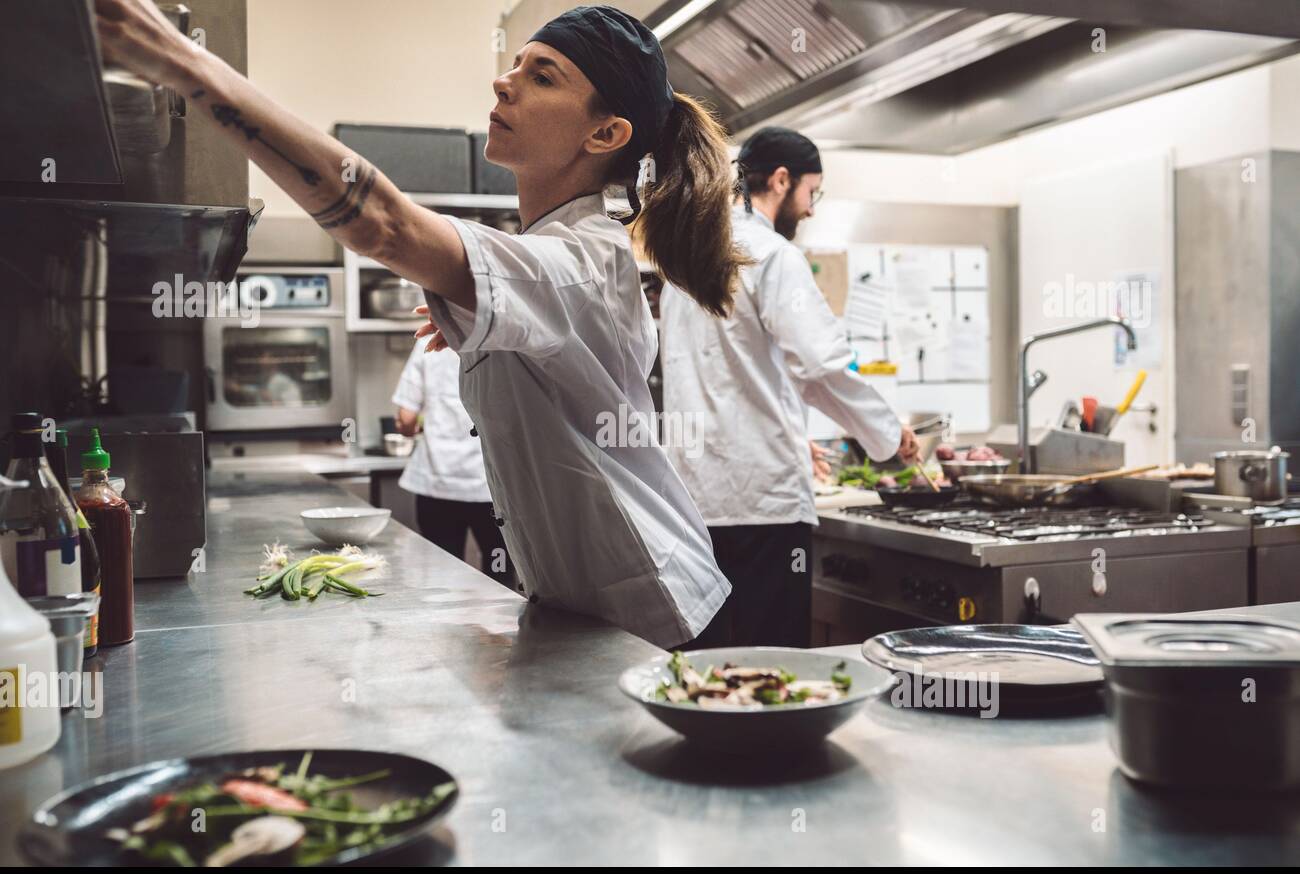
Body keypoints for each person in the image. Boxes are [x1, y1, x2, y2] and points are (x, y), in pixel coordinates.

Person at [93, 1, 744, 648]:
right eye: (515, 63)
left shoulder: (578, 262)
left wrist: (180, 60)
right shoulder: (550, 255)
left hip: (657, 616)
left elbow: (382, 223)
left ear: (605, 135)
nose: (505, 80)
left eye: (543, 76)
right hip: (585, 617)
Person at [659, 127, 918, 649]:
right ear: (781, 180)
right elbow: (819, 366)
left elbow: (720, 375)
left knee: (705, 673)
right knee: (772, 667)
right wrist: (889, 436)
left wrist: (787, 436)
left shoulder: (686, 258)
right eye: (810, 192)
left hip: (692, 501)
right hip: (763, 510)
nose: (811, 209)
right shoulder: (772, 256)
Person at [391, 341, 512, 587]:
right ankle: (501, 625)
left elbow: (406, 418)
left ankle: (448, 626)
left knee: (441, 577)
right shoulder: (501, 339)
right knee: (499, 576)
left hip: (438, 484)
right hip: (491, 487)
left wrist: (413, 428)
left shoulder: (429, 342)